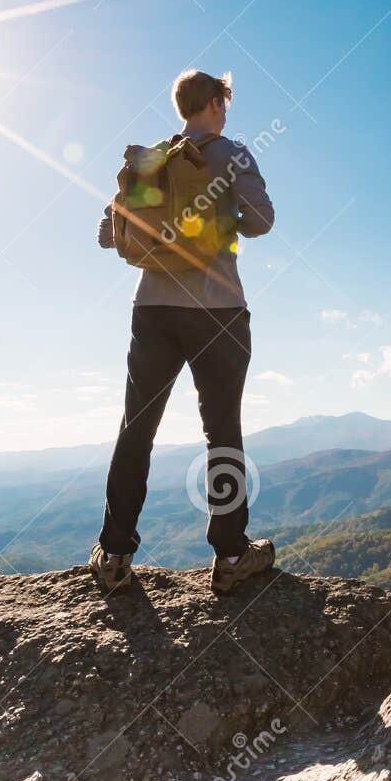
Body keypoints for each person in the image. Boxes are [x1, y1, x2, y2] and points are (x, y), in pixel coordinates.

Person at [91, 69, 277, 596]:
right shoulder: (232, 154)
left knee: (137, 428)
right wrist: (219, 219)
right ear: (218, 102)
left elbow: (109, 234)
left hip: (153, 309)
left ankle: (115, 554)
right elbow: (262, 220)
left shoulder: (151, 160)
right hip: (218, 310)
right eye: (226, 99)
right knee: (223, 433)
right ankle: (231, 555)